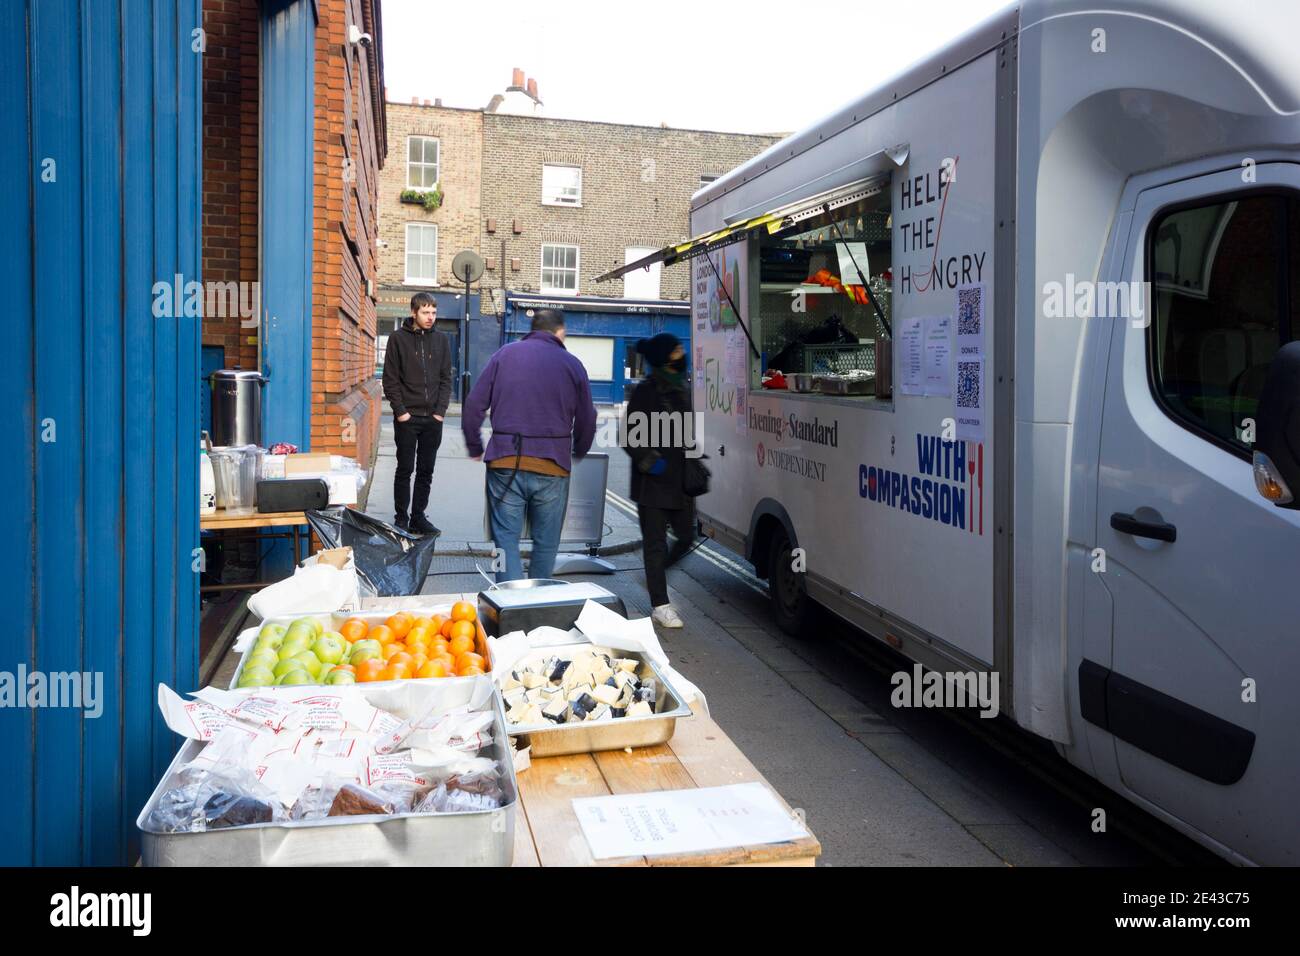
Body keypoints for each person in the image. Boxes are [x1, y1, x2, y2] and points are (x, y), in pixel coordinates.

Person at [462, 309, 597, 581]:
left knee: (504, 542)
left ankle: (506, 606)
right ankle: (538, 605)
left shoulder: (504, 355)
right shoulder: (572, 364)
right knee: (546, 545)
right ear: (559, 332)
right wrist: (577, 451)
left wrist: (475, 446)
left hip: (504, 462)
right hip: (553, 466)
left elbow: (473, 406)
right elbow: (587, 418)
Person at [624, 332, 697, 628]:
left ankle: (655, 573)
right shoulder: (646, 390)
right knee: (654, 544)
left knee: (687, 536)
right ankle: (660, 605)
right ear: (665, 356)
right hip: (652, 481)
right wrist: (651, 463)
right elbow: (630, 435)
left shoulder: (684, 386)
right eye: (677, 349)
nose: (682, 352)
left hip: (681, 481)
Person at [382, 292, 452, 533]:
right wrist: (401, 412)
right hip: (407, 419)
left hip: (432, 419)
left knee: (426, 471)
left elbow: (446, 379)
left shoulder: (441, 340)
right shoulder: (397, 339)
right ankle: (401, 518)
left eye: (433, 312)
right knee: (404, 469)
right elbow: (390, 380)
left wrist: (440, 412)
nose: (430, 317)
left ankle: (418, 517)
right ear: (414, 313)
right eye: (425, 312)